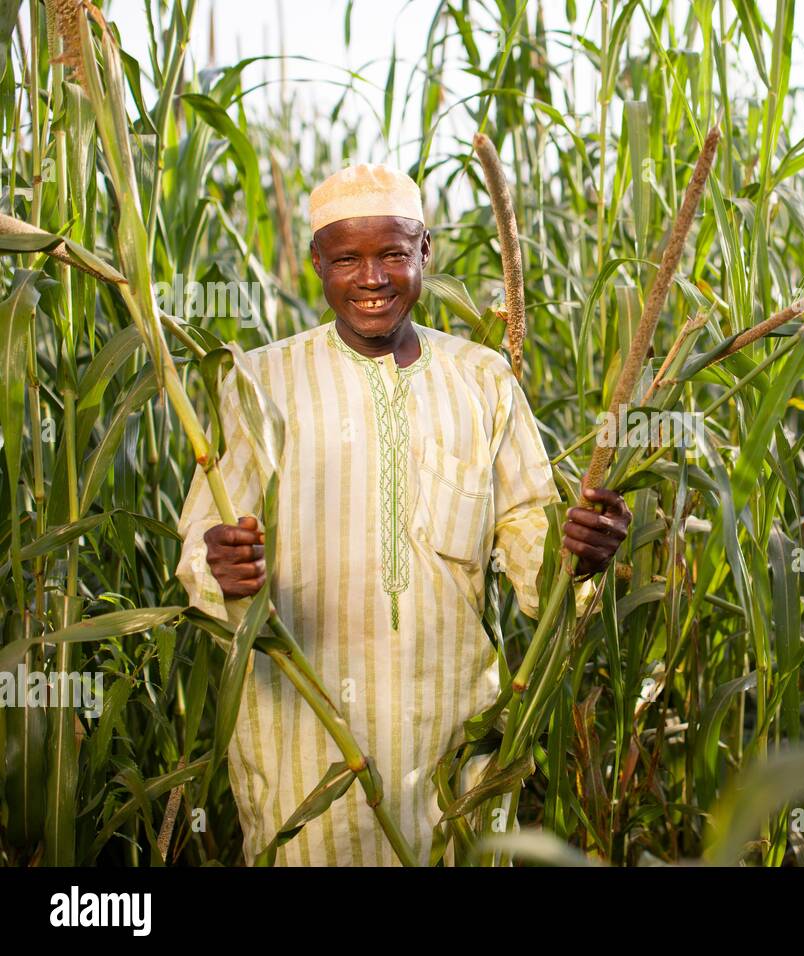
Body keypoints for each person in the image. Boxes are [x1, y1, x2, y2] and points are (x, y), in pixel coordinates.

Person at [174, 163, 630, 865]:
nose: (372, 278)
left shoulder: (483, 381)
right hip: (302, 751)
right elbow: (200, 556)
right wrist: (223, 569)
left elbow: (539, 559)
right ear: (315, 265)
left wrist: (584, 555)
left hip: (454, 757)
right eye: (347, 259)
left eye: (392, 253)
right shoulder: (259, 382)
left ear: (426, 252)